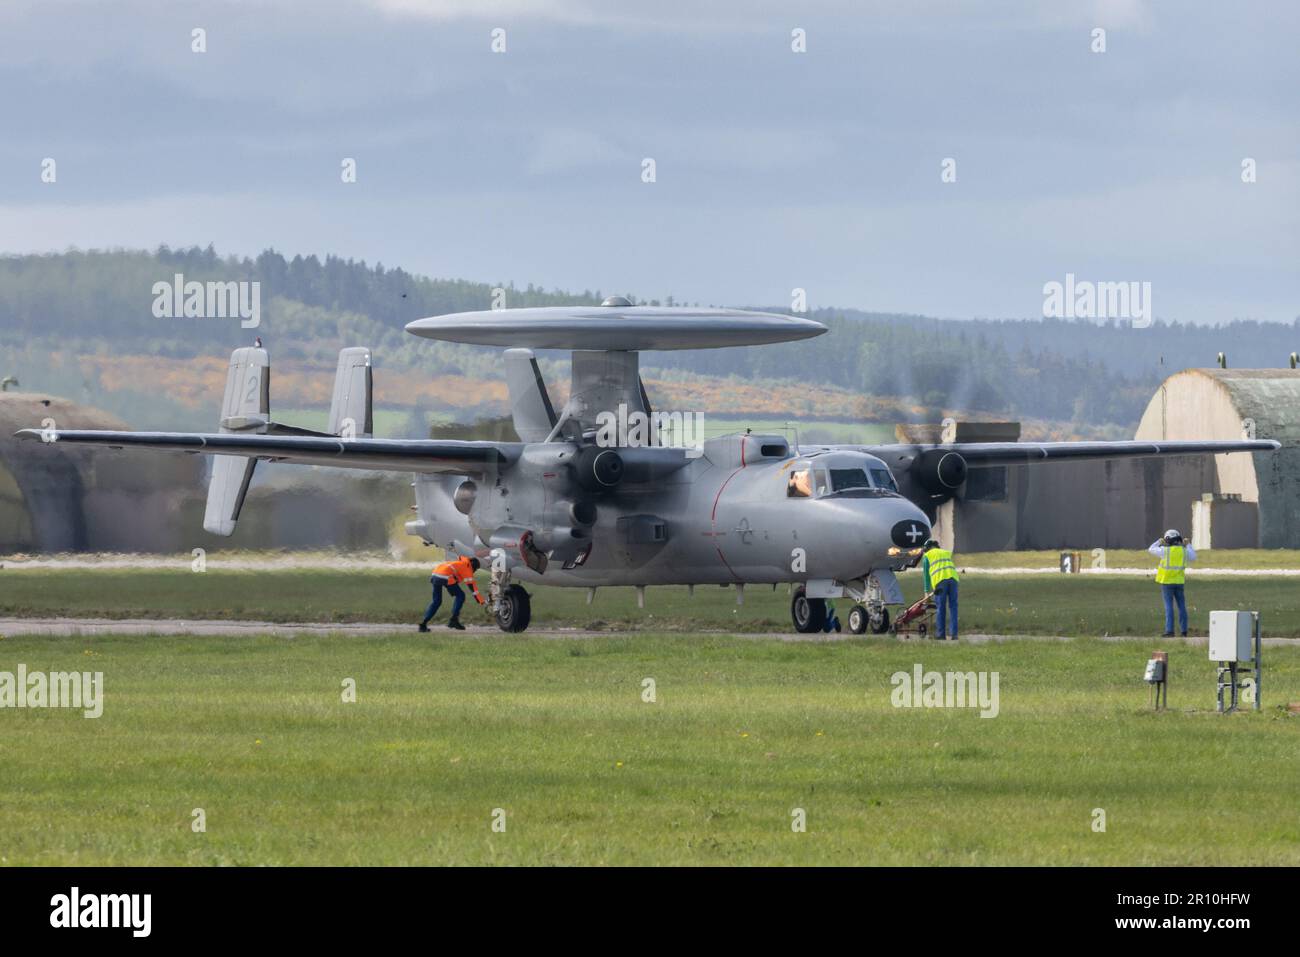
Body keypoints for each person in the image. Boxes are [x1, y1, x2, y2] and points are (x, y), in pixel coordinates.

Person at [1149, 529, 1196, 637]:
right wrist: (1188, 545)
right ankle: (1184, 631)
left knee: (1169, 607)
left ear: (1167, 540)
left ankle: (1169, 631)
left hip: (1166, 583)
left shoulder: (1165, 551)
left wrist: (1159, 542)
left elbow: (1151, 549)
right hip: (1179, 583)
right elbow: (1193, 556)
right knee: (1182, 607)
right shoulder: (1184, 551)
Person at [418, 555, 484, 631]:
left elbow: (454, 576)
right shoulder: (467, 567)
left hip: (435, 575)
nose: (474, 571)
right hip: (445, 576)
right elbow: (472, 586)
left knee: (436, 601)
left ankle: (423, 624)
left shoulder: (459, 563)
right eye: (475, 569)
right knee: (460, 596)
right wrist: (480, 600)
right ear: (473, 566)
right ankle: (453, 620)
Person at [921, 539, 959, 640]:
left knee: (941, 607)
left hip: (941, 581)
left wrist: (926, 592)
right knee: (953, 607)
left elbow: (926, 576)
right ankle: (954, 634)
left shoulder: (927, 556)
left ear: (926, 549)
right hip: (953, 579)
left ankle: (940, 634)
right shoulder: (945, 553)